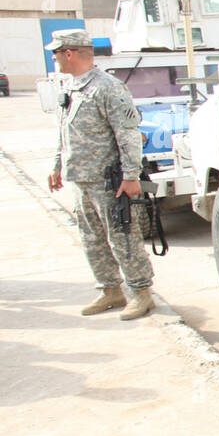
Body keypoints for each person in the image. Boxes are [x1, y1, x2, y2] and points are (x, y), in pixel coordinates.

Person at [46, 29, 155, 320]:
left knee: (122, 236)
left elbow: (128, 134)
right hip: (80, 178)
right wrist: (57, 165)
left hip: (109, 180)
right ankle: (110, 290)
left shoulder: (108, 87)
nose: (54, 58)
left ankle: (141, 292)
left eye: (55, 53)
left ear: (69, 53)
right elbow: (63, 131)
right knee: (91, 238)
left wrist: (132, 176)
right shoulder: (70, 88)